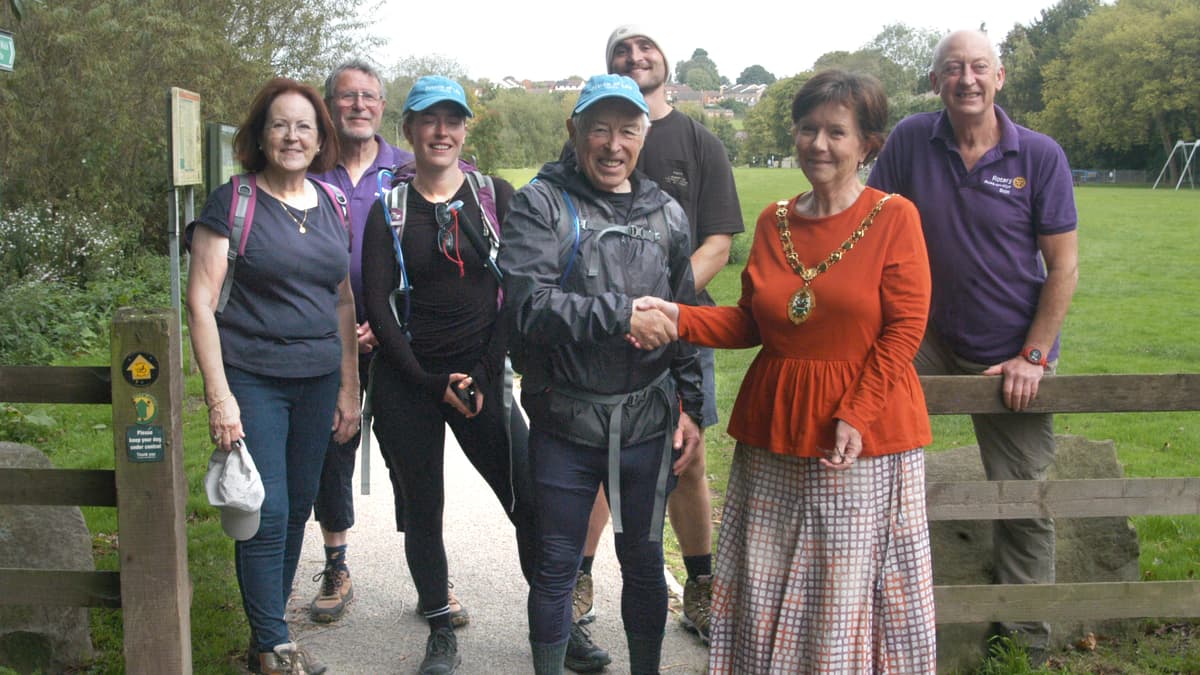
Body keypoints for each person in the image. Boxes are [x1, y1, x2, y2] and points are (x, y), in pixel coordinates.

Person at [634, 69, 936, 672]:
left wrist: (856, 413)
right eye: (807, 129)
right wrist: (679, 315)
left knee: (842, 588)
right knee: (765, 577)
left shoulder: (894, 216)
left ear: (867, 144)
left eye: (836, 132)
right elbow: (753, 323)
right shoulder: (774, 222)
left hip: (861, 437)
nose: (818, 144)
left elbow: (905, 328)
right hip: (774, 427)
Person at [868, 29, 1079, 662]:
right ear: (935, 82)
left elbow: (1063, 267)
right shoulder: (910, 139)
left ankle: (1022, 640)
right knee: (859, 434)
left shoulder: (1039, 156)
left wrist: (1034, 356)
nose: (967, 79)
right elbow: (871, 225)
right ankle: (863, 605)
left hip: (1011, 345)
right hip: (924, 336)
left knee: (1022, 495)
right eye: (953, 68)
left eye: (979, 67)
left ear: (1001, 77)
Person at [502, 73, 704, 675]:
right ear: (575, 132)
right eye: (599, 128)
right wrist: (622, 315)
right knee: (558, 562)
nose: (613, 144)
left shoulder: (665, 213)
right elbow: (524, 305)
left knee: (643, 561)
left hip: (647, 425)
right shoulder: (541, 203)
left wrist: (691, 404)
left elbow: (684, 313)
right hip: (565, 423)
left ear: (644, 135)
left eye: (627, 129)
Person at [565, 26, 744, 658]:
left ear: (664, 60)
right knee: (593, 455)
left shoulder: (698, 140)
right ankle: (578, 583)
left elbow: (719, 241)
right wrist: (623, 307)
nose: (636, 57)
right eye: (622, 52)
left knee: (685, 454)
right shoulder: (592, 137)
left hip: (680, 324)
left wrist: (662, 301)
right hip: (600, 325)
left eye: (645, 49)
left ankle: (699, 584)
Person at [360, 75, 536, 675]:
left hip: (481, 375)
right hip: (409, 380)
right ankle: (440, 626)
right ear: (408, 131)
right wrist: (427, 381)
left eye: (452, 120)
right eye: (428, 121)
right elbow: (378, 304)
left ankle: (556, 622)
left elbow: (515, 290)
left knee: (529, 498)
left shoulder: (495, 197)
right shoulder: (390, 206)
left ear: (464, 129)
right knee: (424, 506)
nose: (442, 132)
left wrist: (485, 374)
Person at [186, 77, 360, 675]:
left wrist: (349, 386)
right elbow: (200, 302)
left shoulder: (333, 203)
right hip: (253, 378)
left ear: (320, 140)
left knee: (299, 506)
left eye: (304, 126)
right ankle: (273, 645)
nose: (292, 135)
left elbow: (342, 303)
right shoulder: (232, 201)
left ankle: (269, 632)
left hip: (317, 381)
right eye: (280, 124)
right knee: (266, 507)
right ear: (260, 136)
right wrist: (220, 398)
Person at [304, 58, 415, 625]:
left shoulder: (408, 170)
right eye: (346, 97)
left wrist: (385, 324)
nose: (358, 106)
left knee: (409, 455)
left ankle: (430, 571)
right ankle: (336, 562)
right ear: (329, 105)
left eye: (369, 96)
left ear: (382, 106)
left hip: (398, 337)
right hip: (326, 334)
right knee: (333, 446)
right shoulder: (307, 168)